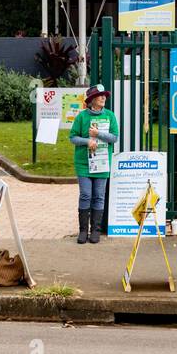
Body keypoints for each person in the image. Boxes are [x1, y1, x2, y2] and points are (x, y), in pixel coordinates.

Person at [70, 84, 119, 245]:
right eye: (100, 96)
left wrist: (98, 134)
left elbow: (114, 138)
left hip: (102, 163)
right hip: (84, 163)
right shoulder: (82, 117)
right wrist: (87, 141)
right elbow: (73, 137)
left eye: (104, 95)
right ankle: (83, 231)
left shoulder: (110, 116)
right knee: (86, 195)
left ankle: (95, 231)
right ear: (91, 100)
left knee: (99, 196)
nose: (103, 97)